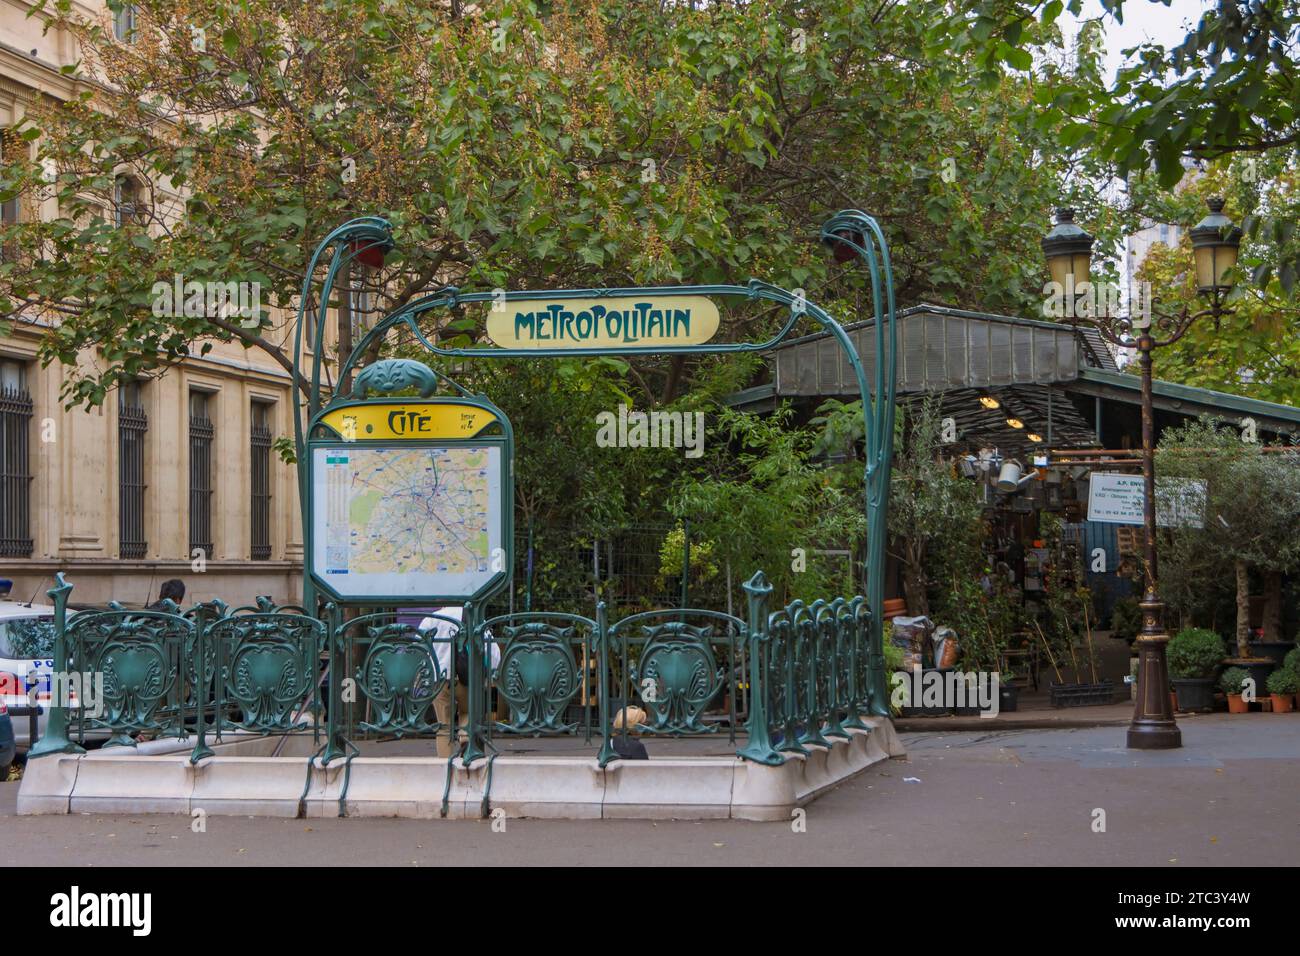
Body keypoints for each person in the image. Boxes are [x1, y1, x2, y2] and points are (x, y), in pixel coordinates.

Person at [418, 607, 500, 758]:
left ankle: (446, 767)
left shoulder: (431, 618)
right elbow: (493, 651)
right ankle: (465, 737)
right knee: (467, 711)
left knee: (443, 726)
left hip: (440, 679)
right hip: (466, 677)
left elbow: (419, 646)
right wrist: (490, 672)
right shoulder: (472, 617)